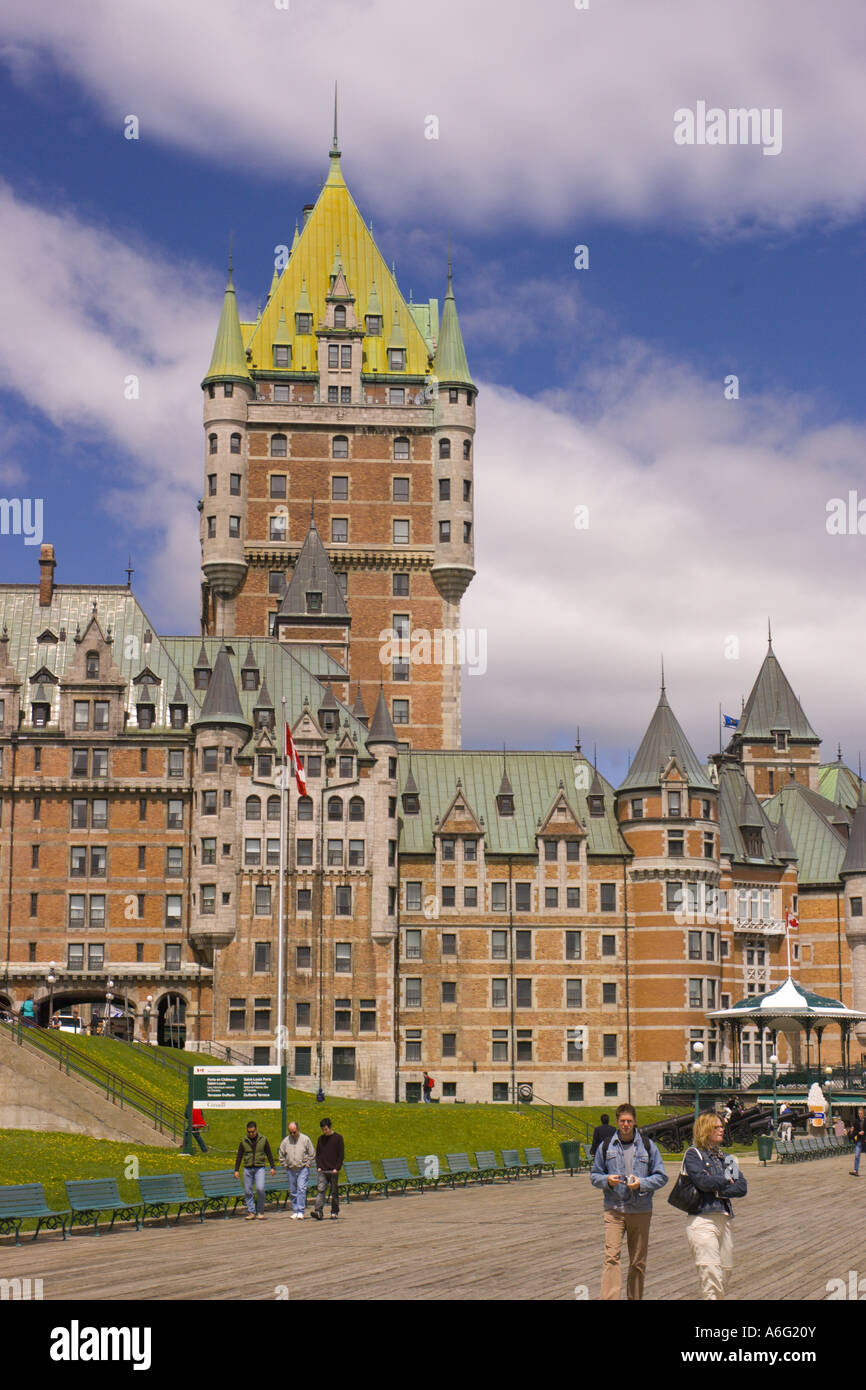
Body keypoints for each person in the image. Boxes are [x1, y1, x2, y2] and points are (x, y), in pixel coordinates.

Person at [590, 1103, 668, 1300]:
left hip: (640, 1210)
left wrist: (641, 1183)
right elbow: (594, 1175)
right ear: (617, 1122)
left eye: (629, 1121)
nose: (626, 1125)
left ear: (634, 1122)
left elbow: (661, 1177)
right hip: (614, 1209)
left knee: (637, 1261)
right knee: (611, 1257)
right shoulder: (606, 1146)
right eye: (623, 1121)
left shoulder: (647, 1146)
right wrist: (606, 1180)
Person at [683, 1111, 748, 1300]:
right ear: (705, 1130)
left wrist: (718, 1189)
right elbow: (702, 1182)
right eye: (717, 1127)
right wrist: (727, 1180)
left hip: (724, 1219)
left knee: (725, 1270)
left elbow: (742, 1186)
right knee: (711, 1272)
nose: (722, 1129)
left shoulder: (726, 1158)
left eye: (721, 1126)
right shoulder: (693, 1155)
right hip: (702, 1219)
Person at [234, 1120, 276, 1220]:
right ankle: (251, 1212)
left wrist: (272, 1167)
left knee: (260, 1189)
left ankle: (260, 1211)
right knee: (248, 1190)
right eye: (249, 1132)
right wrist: (236, 1170)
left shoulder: (263, 1139)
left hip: (259, 1167)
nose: (251, 1134)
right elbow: (239, 1155)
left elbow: (269, 1153)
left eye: (253, 1131)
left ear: (256, 1130)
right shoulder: (244, 1140)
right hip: (247, 1168)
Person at [279, 1121, 315, 1219]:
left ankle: (301, 1210)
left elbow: (312, 1153)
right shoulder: (286, 1141)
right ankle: (295, 1210)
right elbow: (281, 1154)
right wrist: (285, 1165)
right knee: (293, 1190)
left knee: (301, 1189)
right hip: (291, 1169)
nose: (292, 1134)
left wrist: (308, 1164)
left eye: (294, 1132)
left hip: (302, 1168)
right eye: (290, 1132)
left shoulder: (305, 1139)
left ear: (298, 1129)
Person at [312, 1117, 344, 1221]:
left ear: (330, 1127)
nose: (324, 1131)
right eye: (323, 1129)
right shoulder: (320, 1139)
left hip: (333, 1170)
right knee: (321, 1190)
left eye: (326, 1129)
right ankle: (318, 1211)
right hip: (323, 1170)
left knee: (334, 1191)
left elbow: (341, 1155)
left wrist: (337, 1168)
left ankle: (334, 1211)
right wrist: (319, 1167)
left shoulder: (338, 1138)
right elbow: (318, 1154)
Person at [850, 1106, 866, 1176]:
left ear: (864, 1113)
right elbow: (854, 1132)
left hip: (865, 1141)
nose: (860, 1115)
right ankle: (855, 1170)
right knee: (857, 1156)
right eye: (859, 1113)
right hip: (859, 1140)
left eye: (861, 1113)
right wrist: (858, 1133)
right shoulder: (856, 1121)